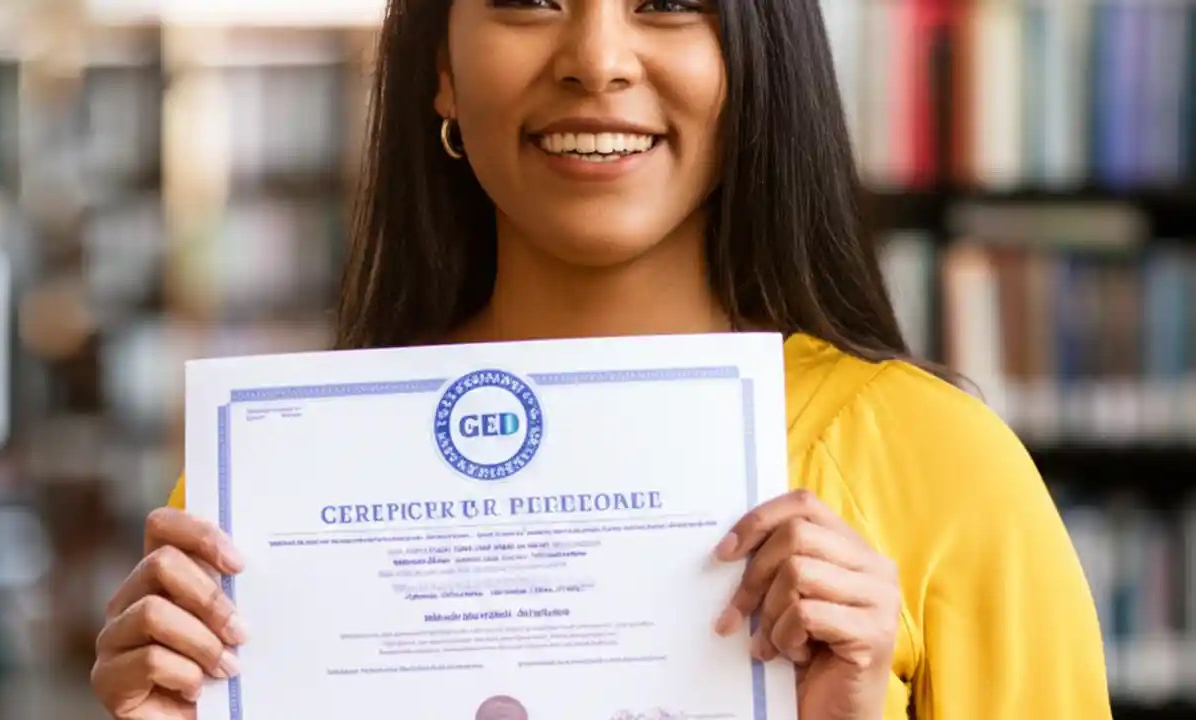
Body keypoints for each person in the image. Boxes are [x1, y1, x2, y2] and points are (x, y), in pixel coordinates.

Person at [90, 1, 1113, 718]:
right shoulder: (267, 495)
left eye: (668, 3)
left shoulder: (939, 463)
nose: (597, 58)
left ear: (755, 62)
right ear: (441, 70)